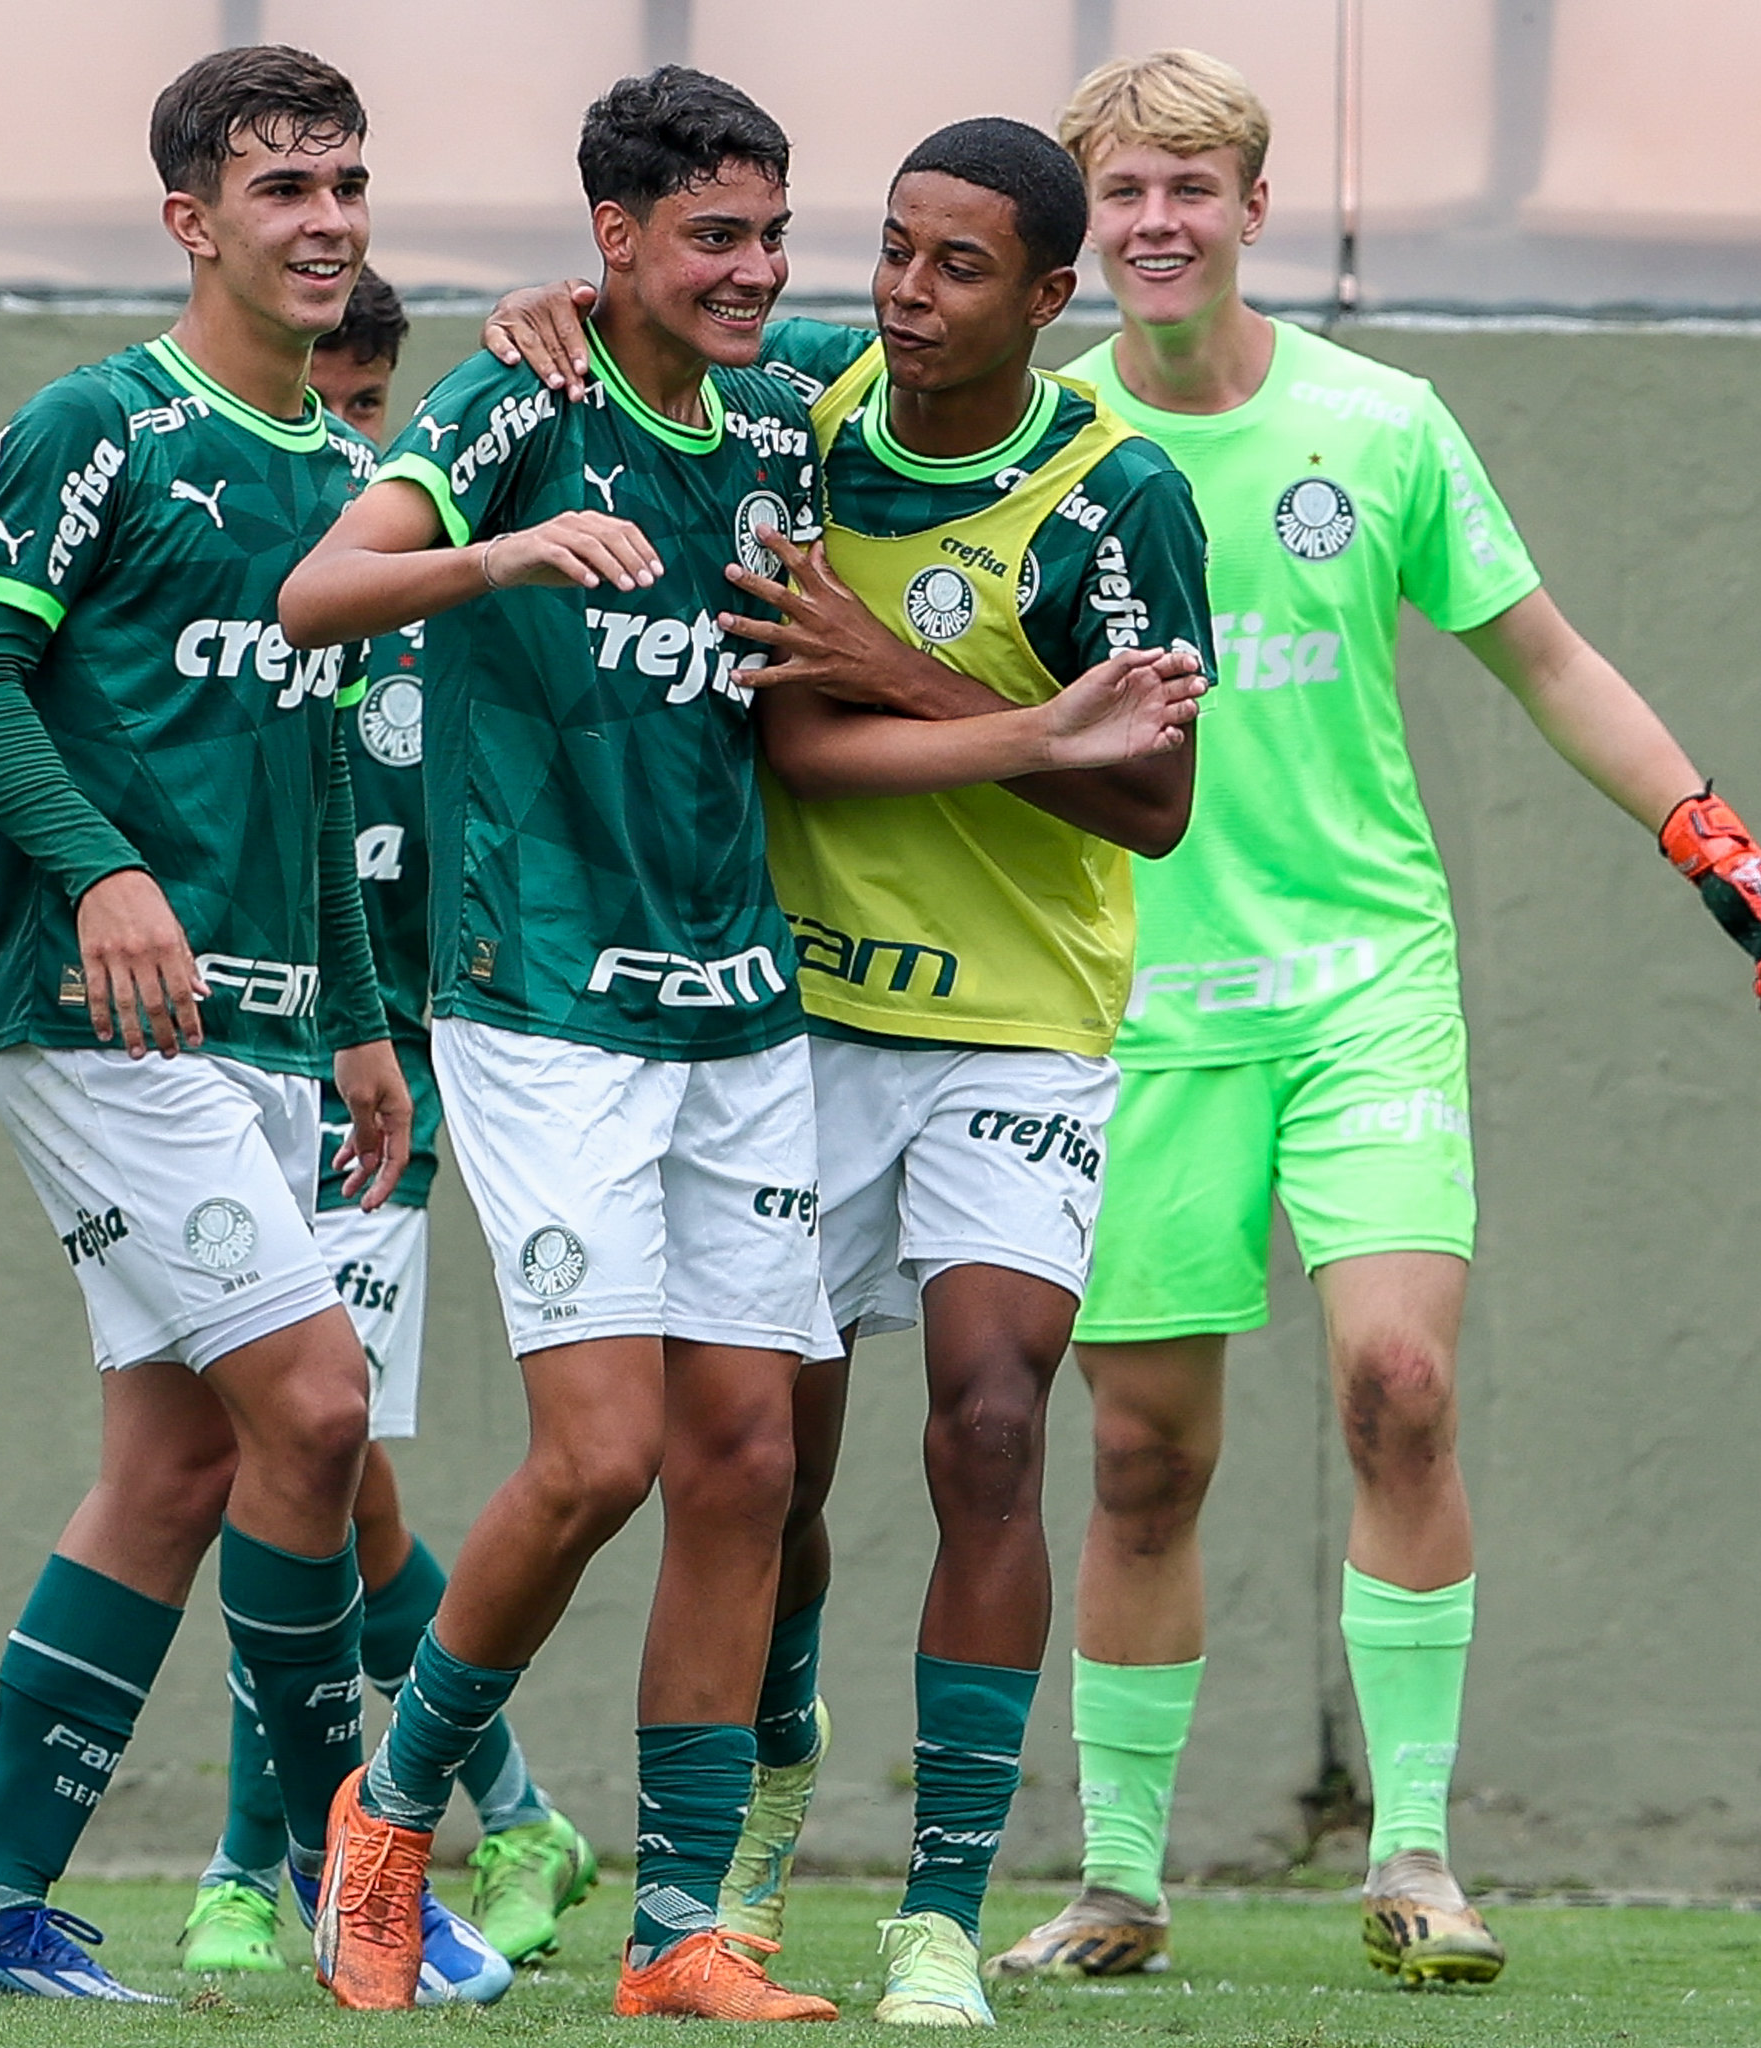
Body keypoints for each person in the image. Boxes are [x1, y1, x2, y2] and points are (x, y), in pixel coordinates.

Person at [281, 69, 1196, 2017]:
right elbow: (319, 589)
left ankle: (679, 1925)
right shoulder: (516, 402)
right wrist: (503, 551)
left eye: (776, 235)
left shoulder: (787, 420)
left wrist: (1028, 722)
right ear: (616, 239)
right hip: (545, 1002)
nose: (765, 271)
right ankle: (393, 1803)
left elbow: (808, 694)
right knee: (601, 1456)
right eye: (716, 237)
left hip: (748, 1010)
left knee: (744, 1464)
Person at [976, 48, 1761, 1990]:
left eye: (1193, 187)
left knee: (1401, 1385)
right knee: (1141, 1459)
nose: (1161, 223)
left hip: (1364, 986)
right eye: (1125, 193)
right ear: (1082, 229)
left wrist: (1710, 835)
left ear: (1253, 208)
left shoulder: (1379, 424)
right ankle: (1119, 1883)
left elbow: (1546, 656)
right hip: (1137, 1014)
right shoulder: (1036, 442)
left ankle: (1417, 1855)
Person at [0, 46, 412, 2003]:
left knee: (177, 1472)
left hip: (275, 1036)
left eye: (344, 183)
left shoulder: (340, 480)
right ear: (193, 219)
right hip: (99, 1017)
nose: (325, 220)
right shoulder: (94, 422)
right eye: (284, 188)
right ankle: (356, 1883)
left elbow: (314, 776)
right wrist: (103, 870)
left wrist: (359, 1020)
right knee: (321, 1407)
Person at [178, 267, 597, 1984]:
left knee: (297, 1453)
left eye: (370, 410)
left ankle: (250, 1861)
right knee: (313, 1469)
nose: (345, 443)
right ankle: (520, 1810)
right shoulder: (231, 577)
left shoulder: (441, 581)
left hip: (386, 1071)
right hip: (232, 1053)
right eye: (320, 410)